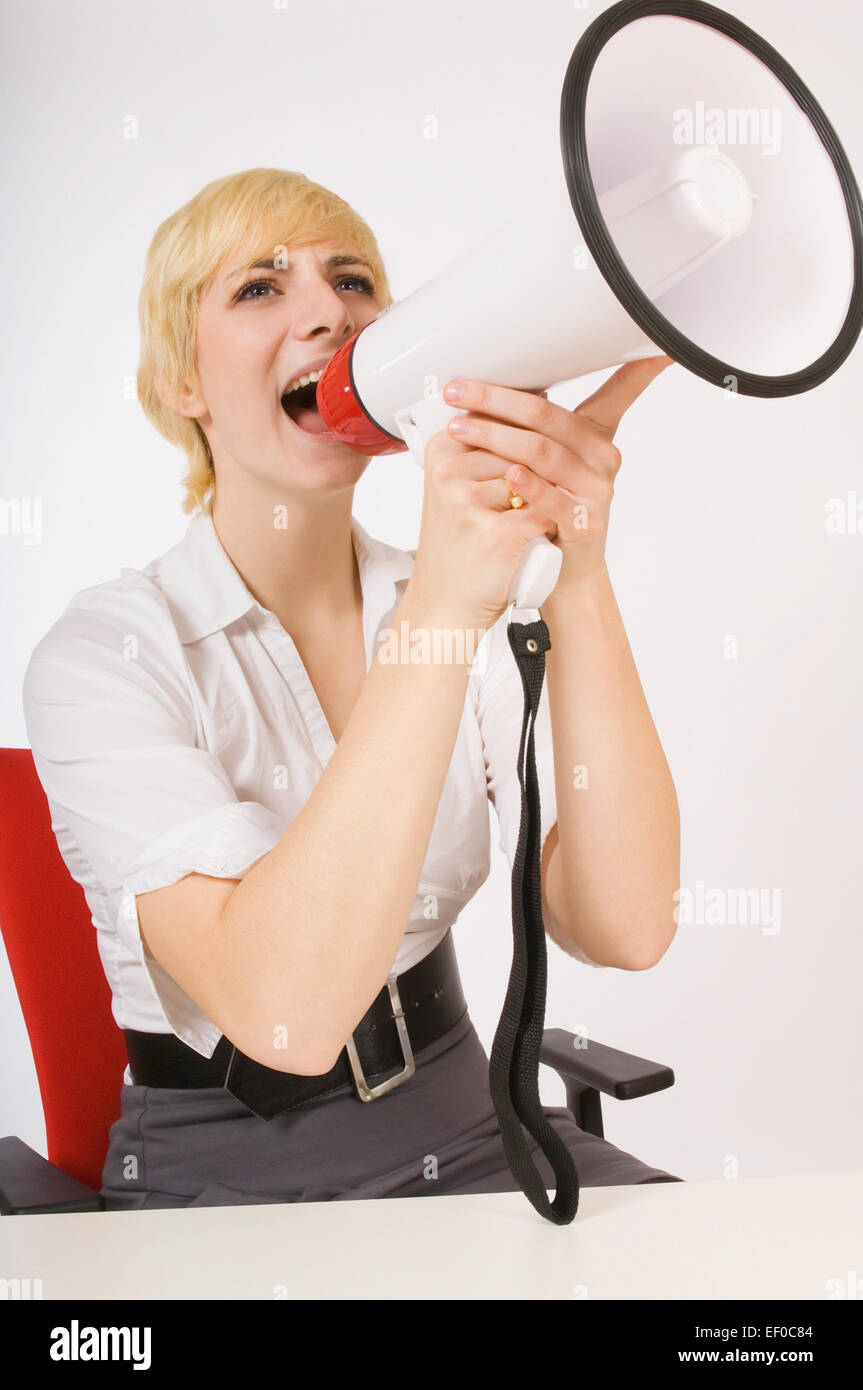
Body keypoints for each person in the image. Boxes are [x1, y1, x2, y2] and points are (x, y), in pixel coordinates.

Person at [22, 167, 682, 1209]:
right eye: (258, 288)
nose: (326, 313)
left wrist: (578, 572)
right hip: (234, 1176)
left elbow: (625, 925)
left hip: (476, 1121)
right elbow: (285, 1015)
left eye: (351, 281)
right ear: (180, 383)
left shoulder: (444, 590)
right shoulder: (105, 656)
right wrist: (442, 613)